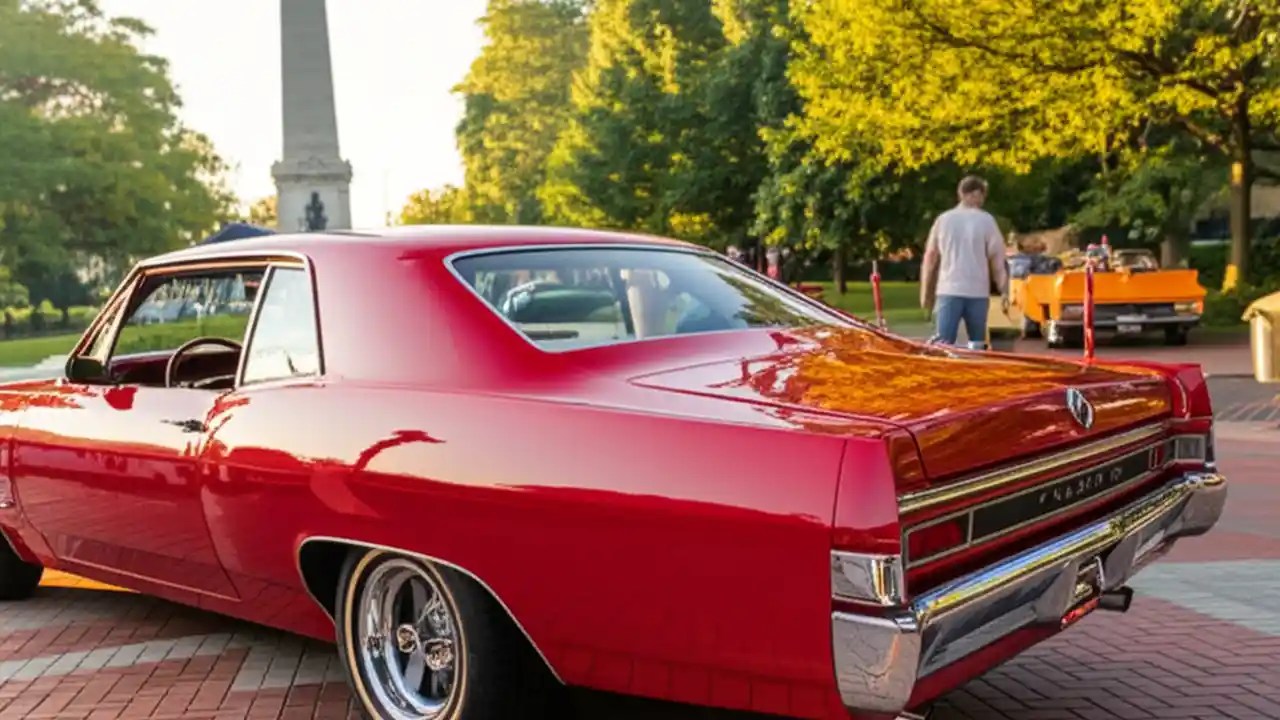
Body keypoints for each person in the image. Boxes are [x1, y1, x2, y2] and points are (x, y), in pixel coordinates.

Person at [920, 175, 1009, 348]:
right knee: (977, 342)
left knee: (943, 343)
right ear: (975, 194)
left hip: (948, 289)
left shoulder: (943, 220)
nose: (983, 200)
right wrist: (1004, 290)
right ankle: (975, 369)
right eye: (982, 195)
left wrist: (925, 294)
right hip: (977, 291)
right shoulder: (986, 221)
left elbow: (930, 258)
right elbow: (998, 259)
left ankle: (946, 371)